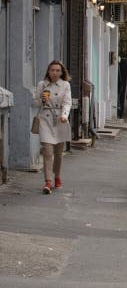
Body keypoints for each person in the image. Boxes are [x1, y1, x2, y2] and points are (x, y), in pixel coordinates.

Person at [34, 60, 72, 194]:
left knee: (58, 153)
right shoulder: (42, 84)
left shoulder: (65, 85)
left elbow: (67, 102)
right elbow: (35, 103)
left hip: (60, 120)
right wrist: (42, 100)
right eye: (52, 70)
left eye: (57, 70)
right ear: (48, 71)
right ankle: (48, 181)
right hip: (46, 119)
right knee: (47, 151)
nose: (54, 73)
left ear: (61, 72)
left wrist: (64, 115)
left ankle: (57, 176)